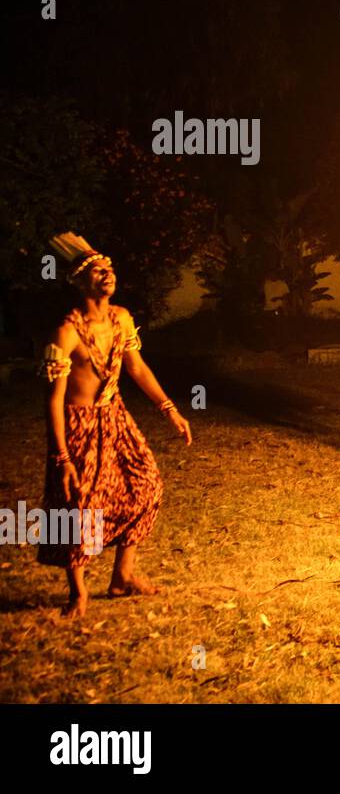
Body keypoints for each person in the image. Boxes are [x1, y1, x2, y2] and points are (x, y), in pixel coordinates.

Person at [39, 233, 192, 617]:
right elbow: (54, 399)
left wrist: (168, 408)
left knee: (146, 485)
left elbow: (136, 367)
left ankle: (122, 577)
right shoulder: (65, 332)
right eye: (96, 270)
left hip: (115, 416)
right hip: (79, 424)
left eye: (108, 268)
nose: (106, 274)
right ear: (77, 281)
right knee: (78, 506)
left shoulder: (122, 318)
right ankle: (78, 592)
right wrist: (62, 456)